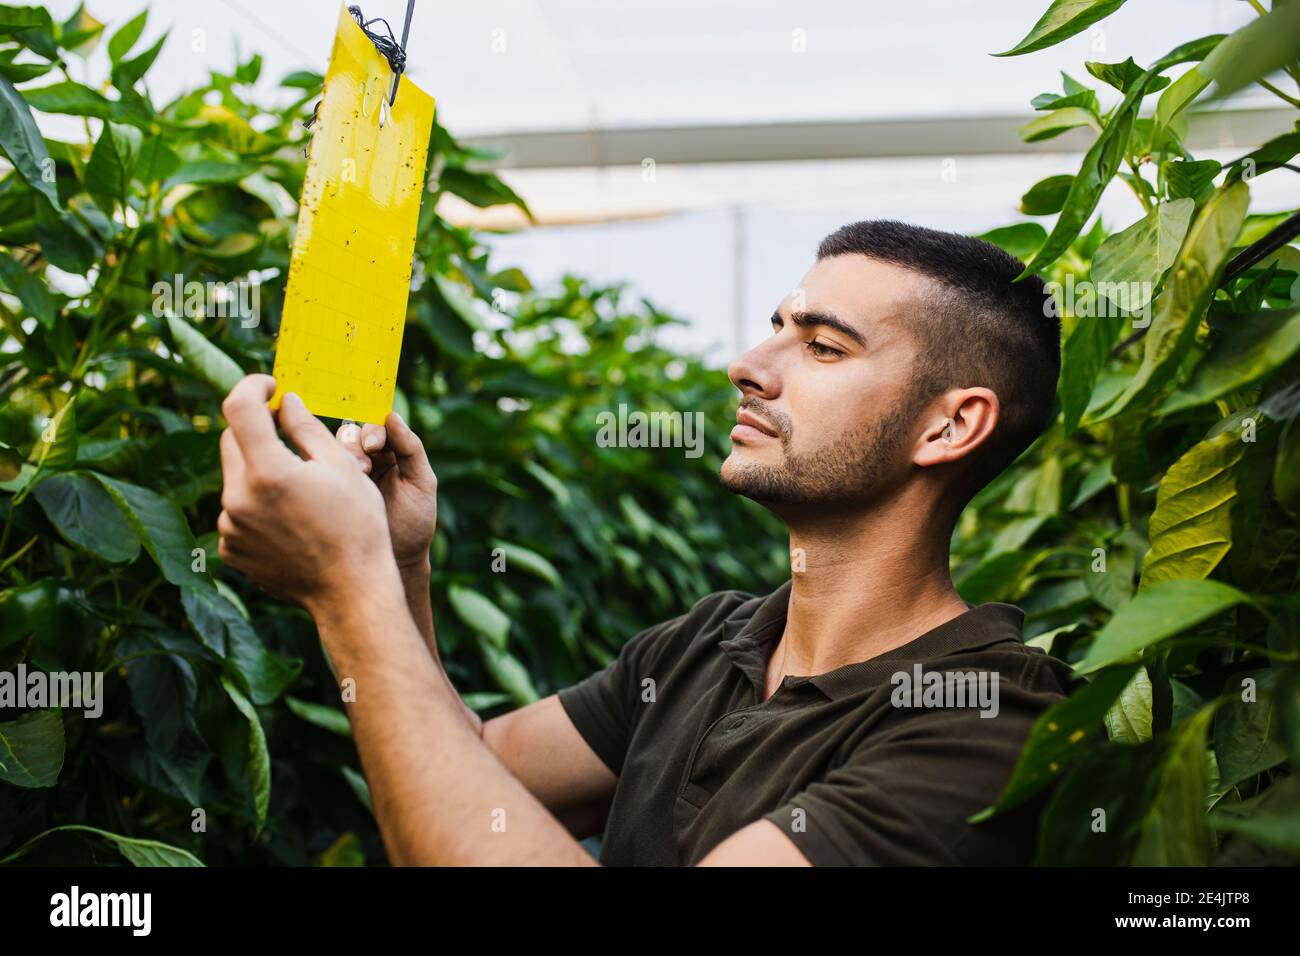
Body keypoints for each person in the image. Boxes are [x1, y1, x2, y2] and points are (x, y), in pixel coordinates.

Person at [217, 219, 1072, 866]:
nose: (749, 362)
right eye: (775, 326)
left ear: (951, 425)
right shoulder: (706, 644)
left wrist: (348, 588)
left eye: (821, 345)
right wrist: (401, 566)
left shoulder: (994, 720)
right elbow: (462, 779)